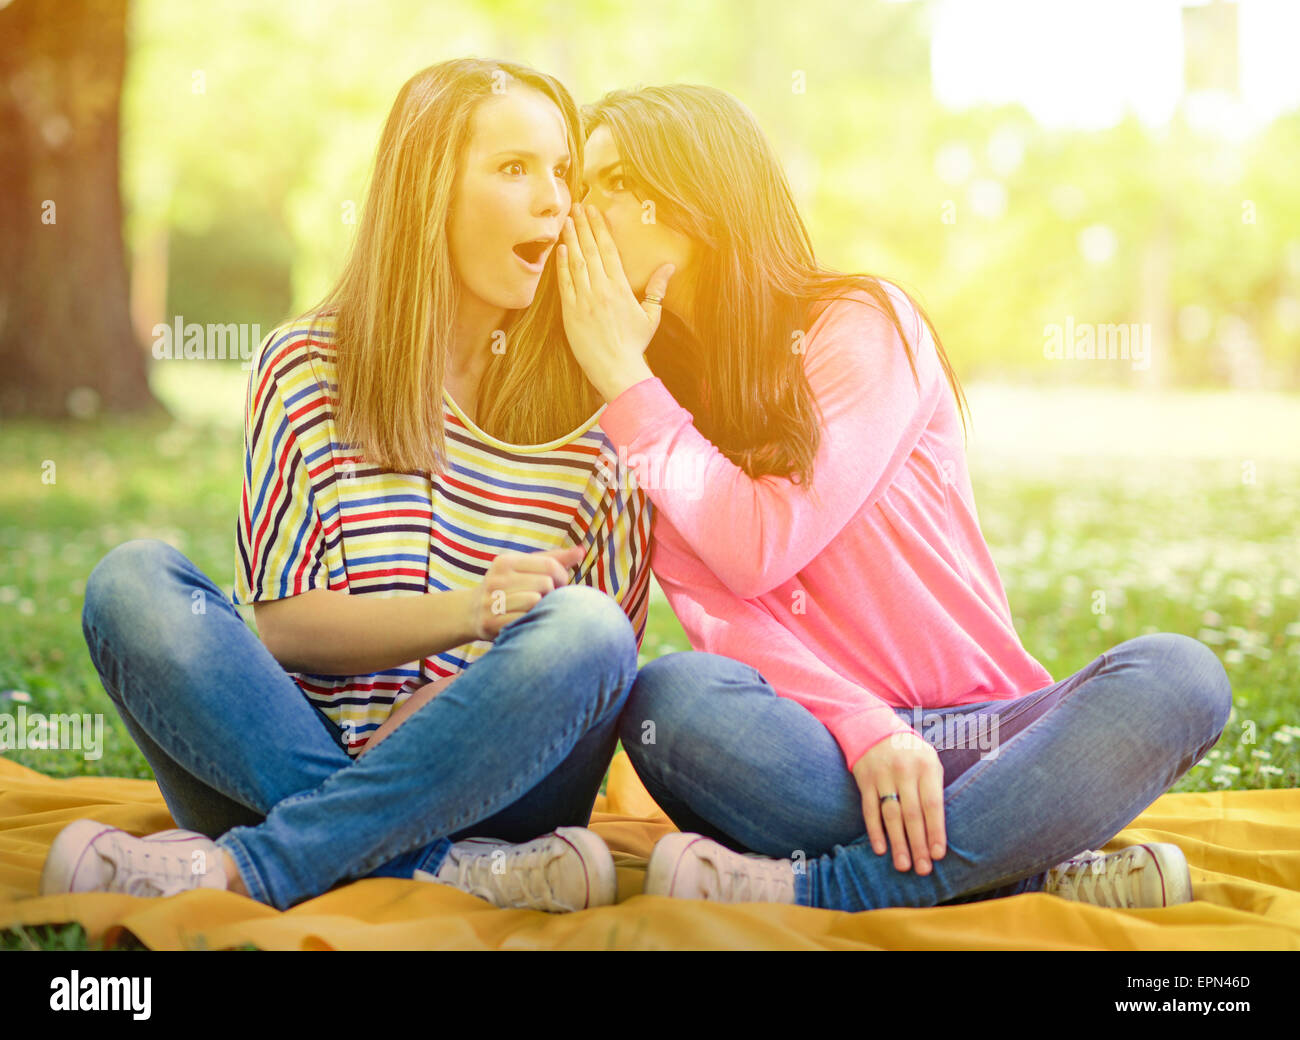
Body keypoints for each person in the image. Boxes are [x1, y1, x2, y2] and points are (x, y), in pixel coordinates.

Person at [554, 83, 1233, 911]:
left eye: (613, 182)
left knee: (1180, 674)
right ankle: (1026, 858)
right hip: (827, 750)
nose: (580, 212)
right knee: (671, 699)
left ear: (698, 201)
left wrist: (625, 377)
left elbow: (761, 540)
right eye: (581, 188)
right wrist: (865, 726)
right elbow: (732, 622)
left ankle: (833, 888)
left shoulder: (862, 326)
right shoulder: (648, 411)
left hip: (990, 735)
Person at [40, 59, 654, 914]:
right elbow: (288, 627)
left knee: (586, 629)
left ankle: (253, 867)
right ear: (428, 191)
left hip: (500, 794)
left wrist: (457, 708)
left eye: (564, 173)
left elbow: (595, 675)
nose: (556, 199)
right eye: (516, 169)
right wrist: (472, 611)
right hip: (283, 757)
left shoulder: (602, 412)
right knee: (132, 584)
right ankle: (440, 873)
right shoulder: (304, 368)